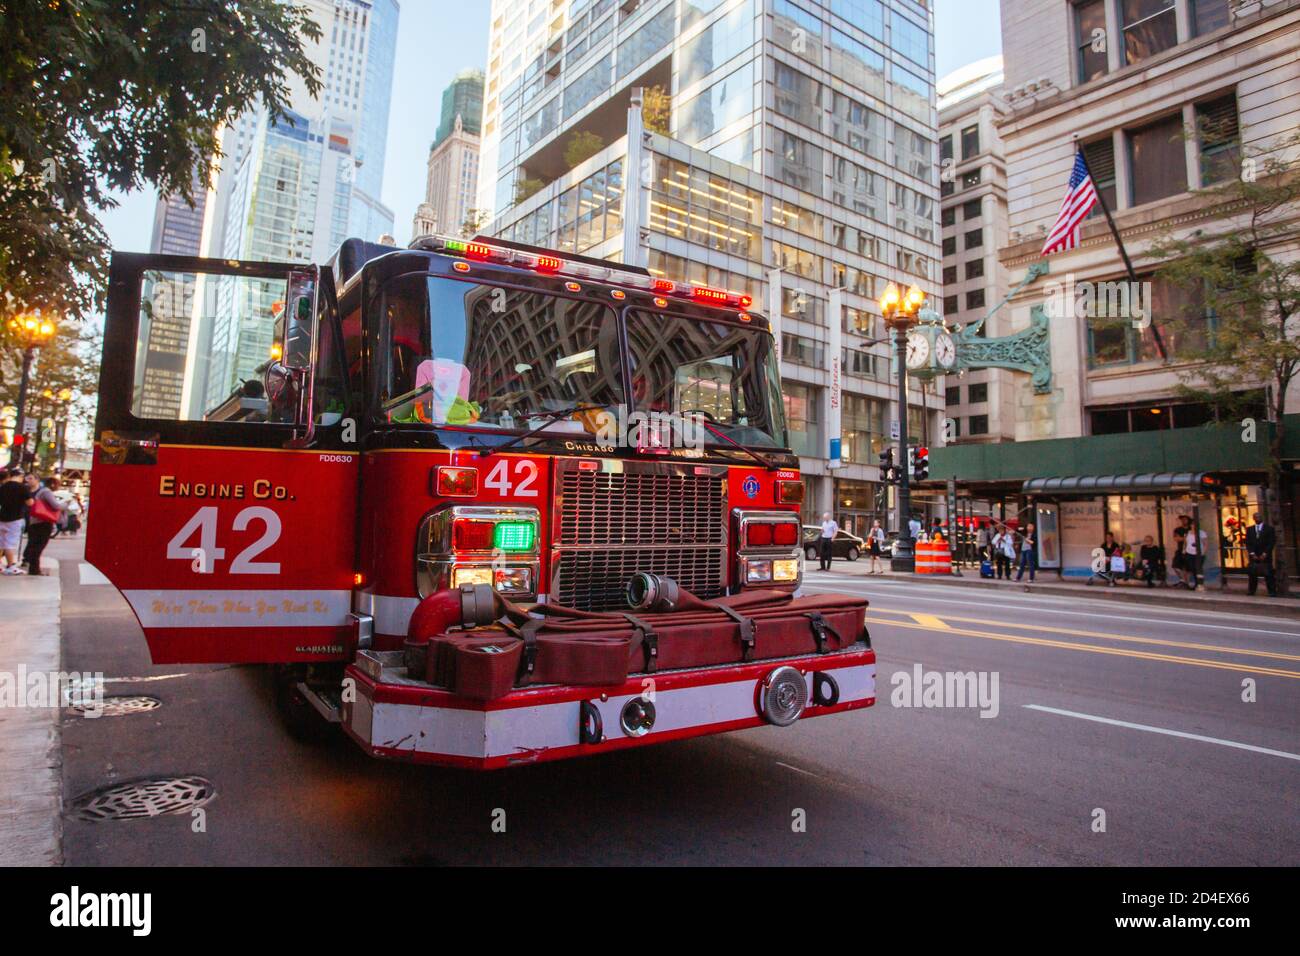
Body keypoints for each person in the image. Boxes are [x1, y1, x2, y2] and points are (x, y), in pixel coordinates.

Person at [21, 474, 66, 575]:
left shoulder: (40, 492)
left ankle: (33, 568)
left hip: (34, 521)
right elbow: (55, 506)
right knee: (39, 545)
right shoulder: (46, 492)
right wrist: (65, 504)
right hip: (43, 521)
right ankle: (34, 569)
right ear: (53, 484)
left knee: (33, 545)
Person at [0, 469, 28, 575]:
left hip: (2, 517)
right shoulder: (22, 488)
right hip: (15, 518)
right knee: (9, 543)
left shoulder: (3, 487)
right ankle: (11, 566)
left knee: (1, 541)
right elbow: (30, 502)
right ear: (20, 476)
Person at [1244, 512, 1278, 597]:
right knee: (1252, 574)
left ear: (1262, 518)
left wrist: (1265, 553)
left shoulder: (1269, 529)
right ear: (1253, 518)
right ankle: (1251, 591)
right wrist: (1252, 553)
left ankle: (1271, 591)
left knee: (1268, 574)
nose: (1258, 518)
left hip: (1265, 555)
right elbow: (1248, 542)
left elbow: (1271, 542)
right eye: (1256, 517)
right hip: (1254, 555)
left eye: (1259, 516)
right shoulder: (1250, 529)